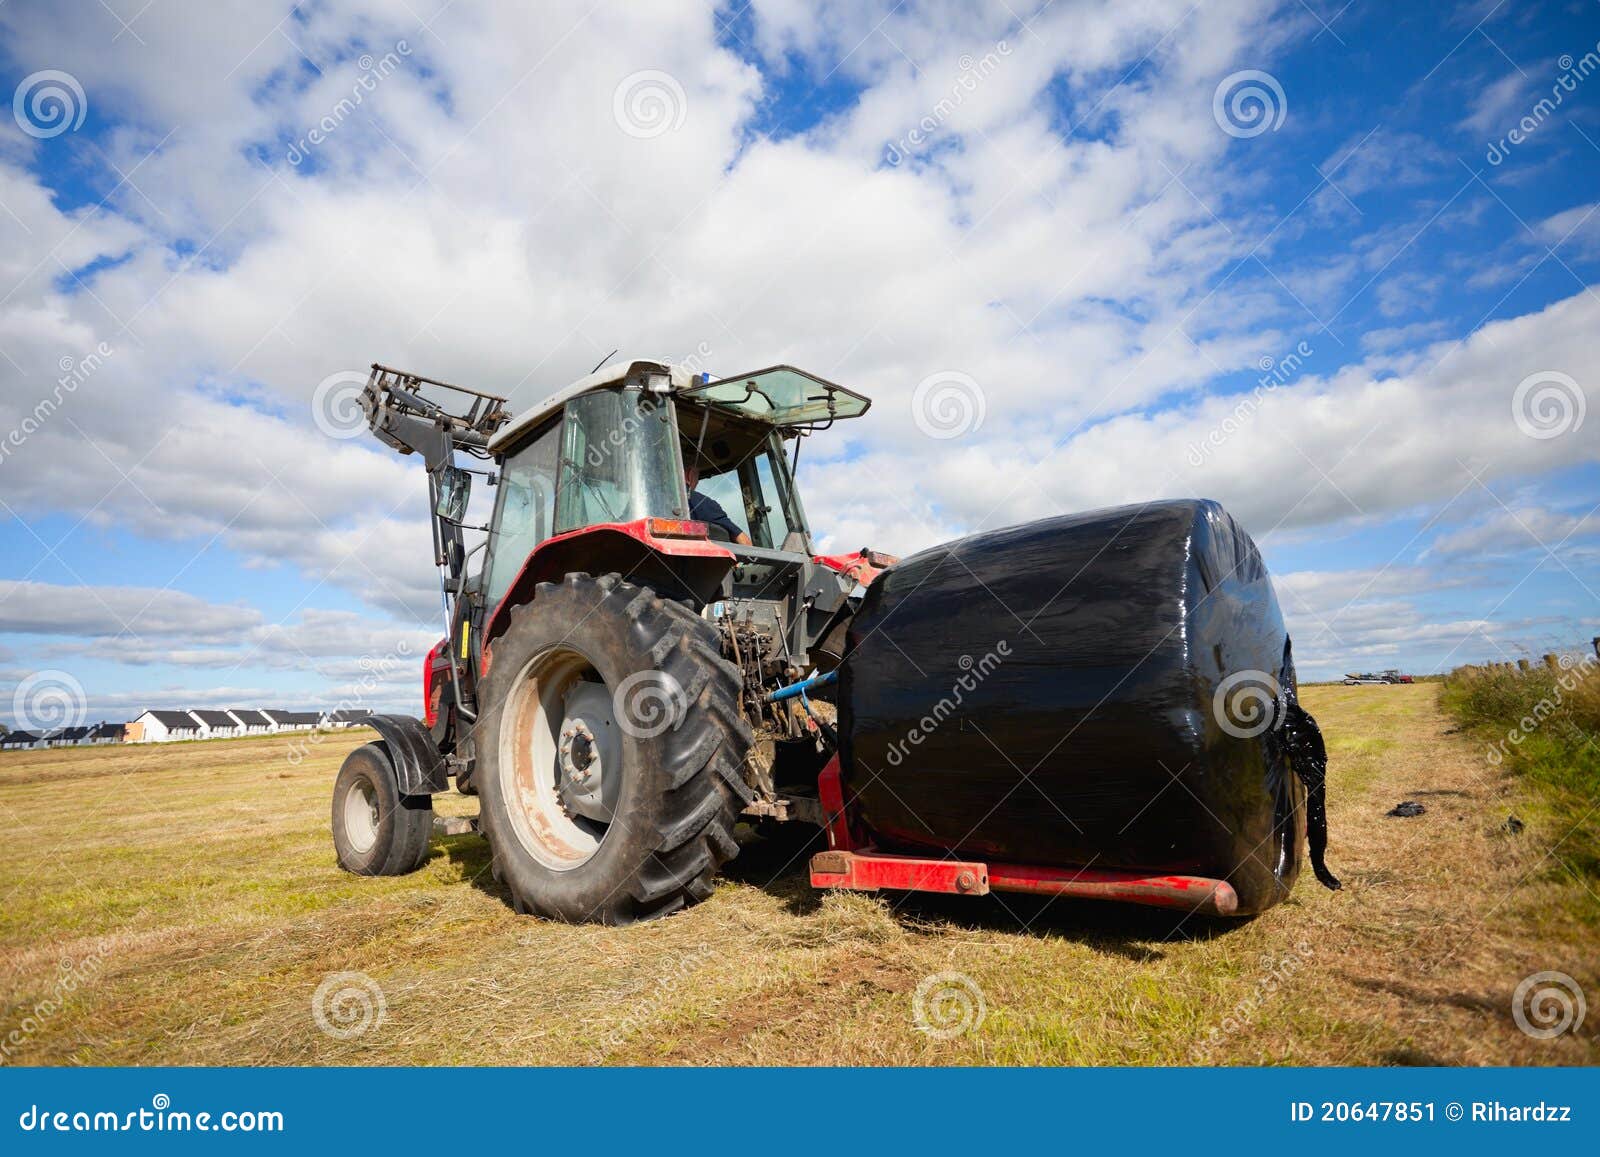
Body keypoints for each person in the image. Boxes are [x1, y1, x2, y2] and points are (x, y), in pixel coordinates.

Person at [684, 462, 751, 545]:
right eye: (698, 478)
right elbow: (743, 541)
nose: (697, 483)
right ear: (689, 475)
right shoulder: (701, 502)